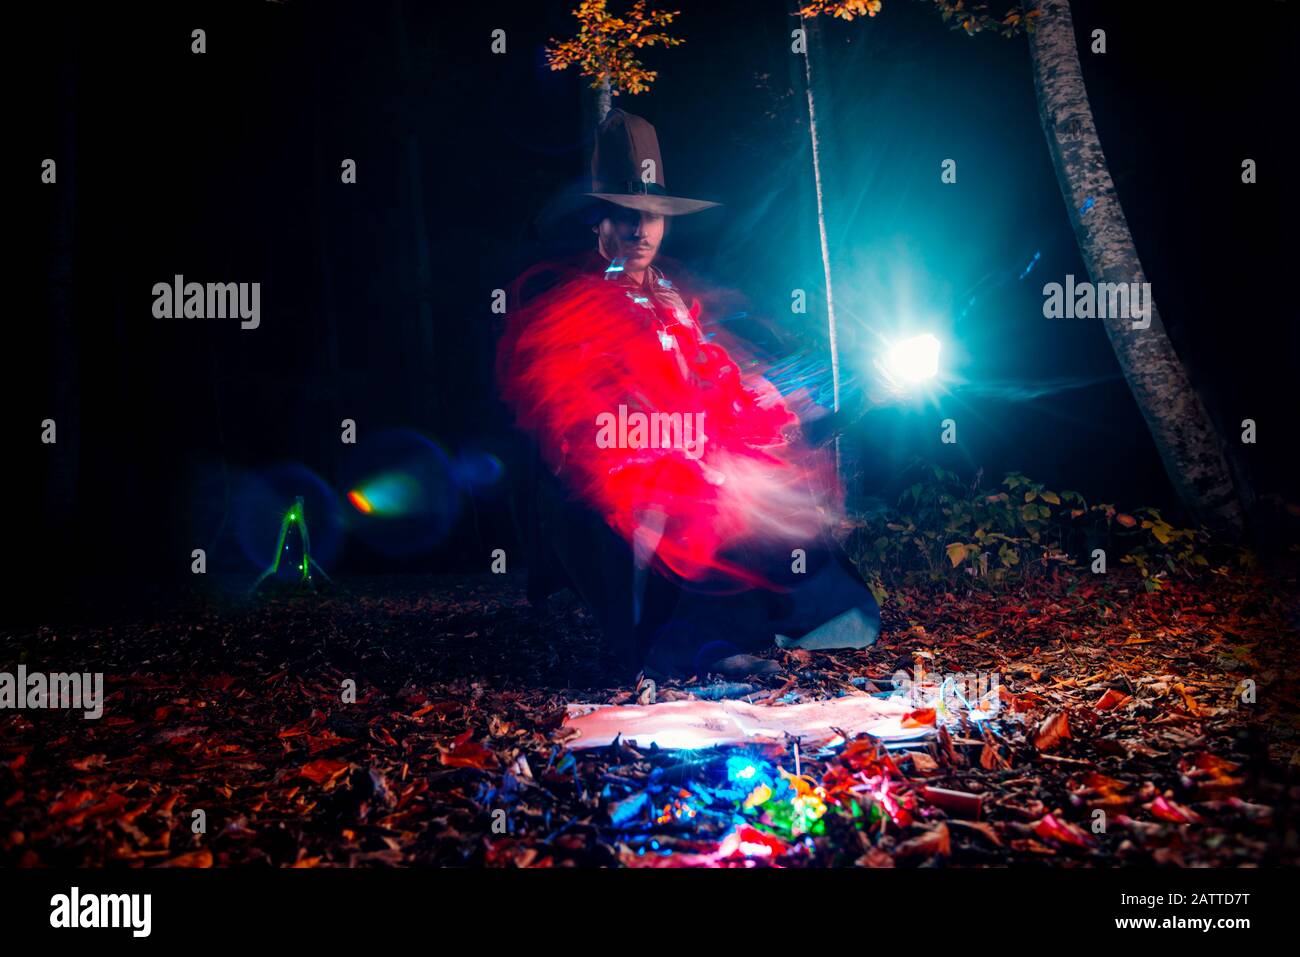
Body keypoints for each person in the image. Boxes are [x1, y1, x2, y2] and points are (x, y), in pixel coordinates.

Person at [498, 110, 880, 679]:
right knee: (692, 498)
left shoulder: (673, 298)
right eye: (626, 215)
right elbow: (577, 416)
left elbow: (708, 376)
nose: (641, 230)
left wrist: (760, 402)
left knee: (763, 491)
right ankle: (678, 645)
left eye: (652, 216)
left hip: (687, 454)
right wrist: (660, 445)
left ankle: (746, 624)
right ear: (597, 222)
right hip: (613, 476)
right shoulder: (579, 306)